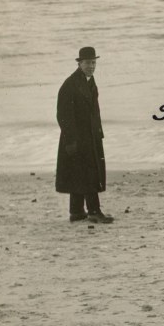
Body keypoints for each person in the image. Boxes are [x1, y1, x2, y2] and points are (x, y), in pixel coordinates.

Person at [56, 46, 112, 223]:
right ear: (79, 63)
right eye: (88, 63)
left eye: (94, 62)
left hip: (90, 136)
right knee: (89, 174)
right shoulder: (70, 84)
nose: (91, 66)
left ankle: (77, 212)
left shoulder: (89, 80)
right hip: (76, 138)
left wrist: (99, 133)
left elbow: (94, 111)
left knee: (78, 174)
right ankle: (94, 211)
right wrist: (71, 140)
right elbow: (63, 115)